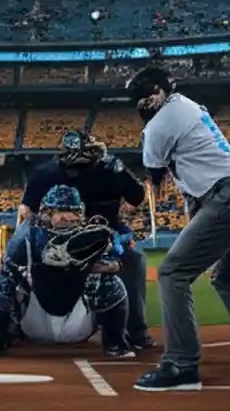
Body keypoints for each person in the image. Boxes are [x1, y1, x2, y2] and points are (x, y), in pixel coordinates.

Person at [125, 67, 230, 393]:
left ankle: (181, 365)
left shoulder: (159, 125)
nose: (142, 104)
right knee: (226, 279)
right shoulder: (188, 106)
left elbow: (154, 175)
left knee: (172, 272)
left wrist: (153, 190)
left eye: (144, 97)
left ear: (158, 92)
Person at [18, 129, 152, 349]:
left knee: (133, 259)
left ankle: (134, 331)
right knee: (134, 260)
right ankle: (134, 332)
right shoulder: (108, 168)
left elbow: (25, 211)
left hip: (84, 237)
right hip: (80, 237)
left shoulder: (48, 171)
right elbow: (137, 198)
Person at [0, 185, 135, 359]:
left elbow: (115, 265)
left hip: (78, 319)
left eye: (71, 211)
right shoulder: (29, 233)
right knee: (3, 280)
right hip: (35, 317)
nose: (66, 217)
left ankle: (115, 341)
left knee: (112, 283)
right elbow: (9, 263)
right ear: (47, 213)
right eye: (60, 211)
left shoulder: (92, 234)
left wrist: (86, 265)